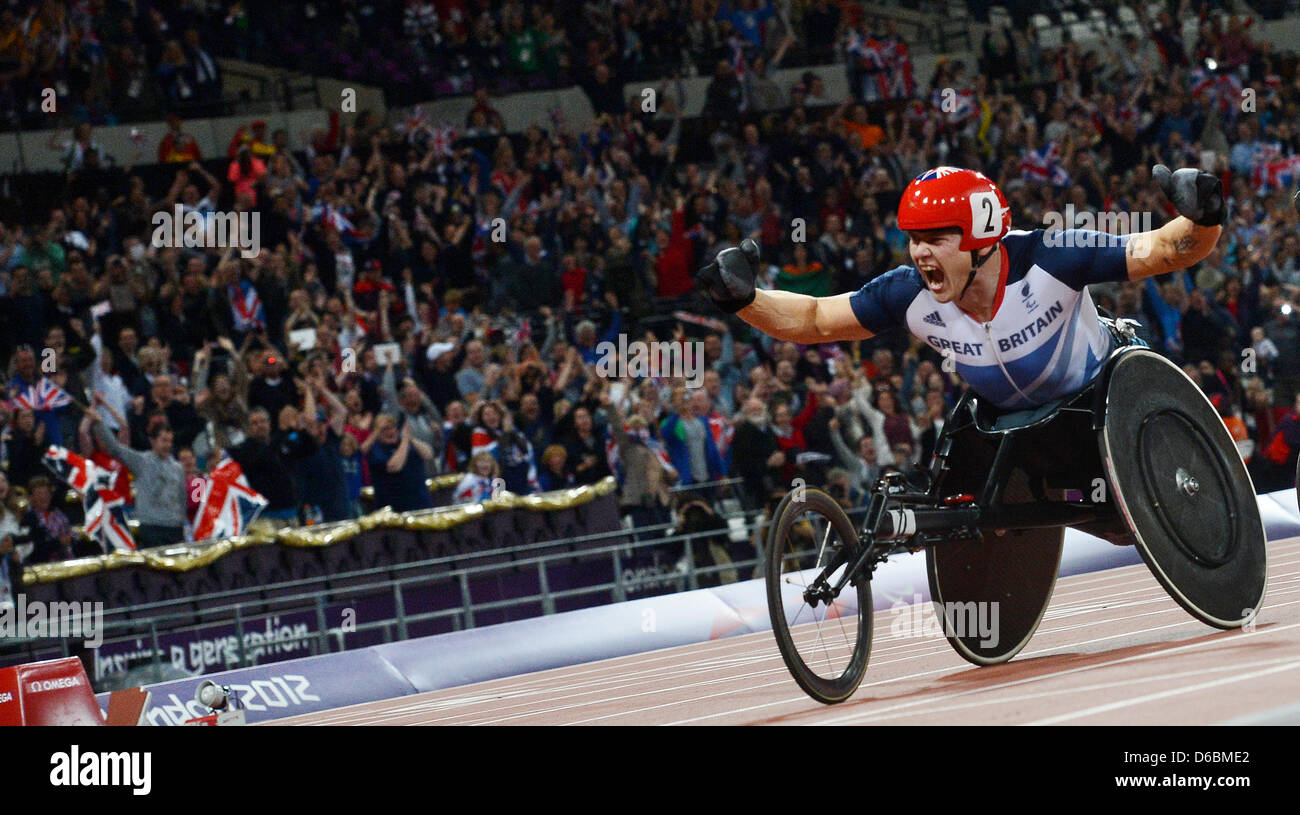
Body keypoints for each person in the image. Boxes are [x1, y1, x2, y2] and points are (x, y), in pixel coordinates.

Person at [696, 165, 1227, 412]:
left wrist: (1204, 217)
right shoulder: (909, 293)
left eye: (936, 239)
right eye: (913, 240)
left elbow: (1160, 249)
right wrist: (744, 299)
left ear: (980, 239)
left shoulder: (1053, 256)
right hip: (1006, 424)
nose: (920, 253)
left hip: (1103, 397)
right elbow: (813, 318)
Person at [87, 403, 188, 549]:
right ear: (152, 441)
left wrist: (181, 520)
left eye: (170, 441)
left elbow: (182, 497)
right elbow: (115, 449)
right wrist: (98, 423)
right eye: (164, 440)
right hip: (152, 526)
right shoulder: (141, 461)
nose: (168, 445)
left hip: (175, 527)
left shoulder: (178, 468)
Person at [366, 413, 435, 512]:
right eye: (385, 429)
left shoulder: (407, 442)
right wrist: (405, 441)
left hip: (421, 503)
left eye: (393, 427)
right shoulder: (376, 449)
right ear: (377, 432)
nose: (391, 431)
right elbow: (394, 467)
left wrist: (409, 438)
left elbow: (428, 454)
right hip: (394, 509)